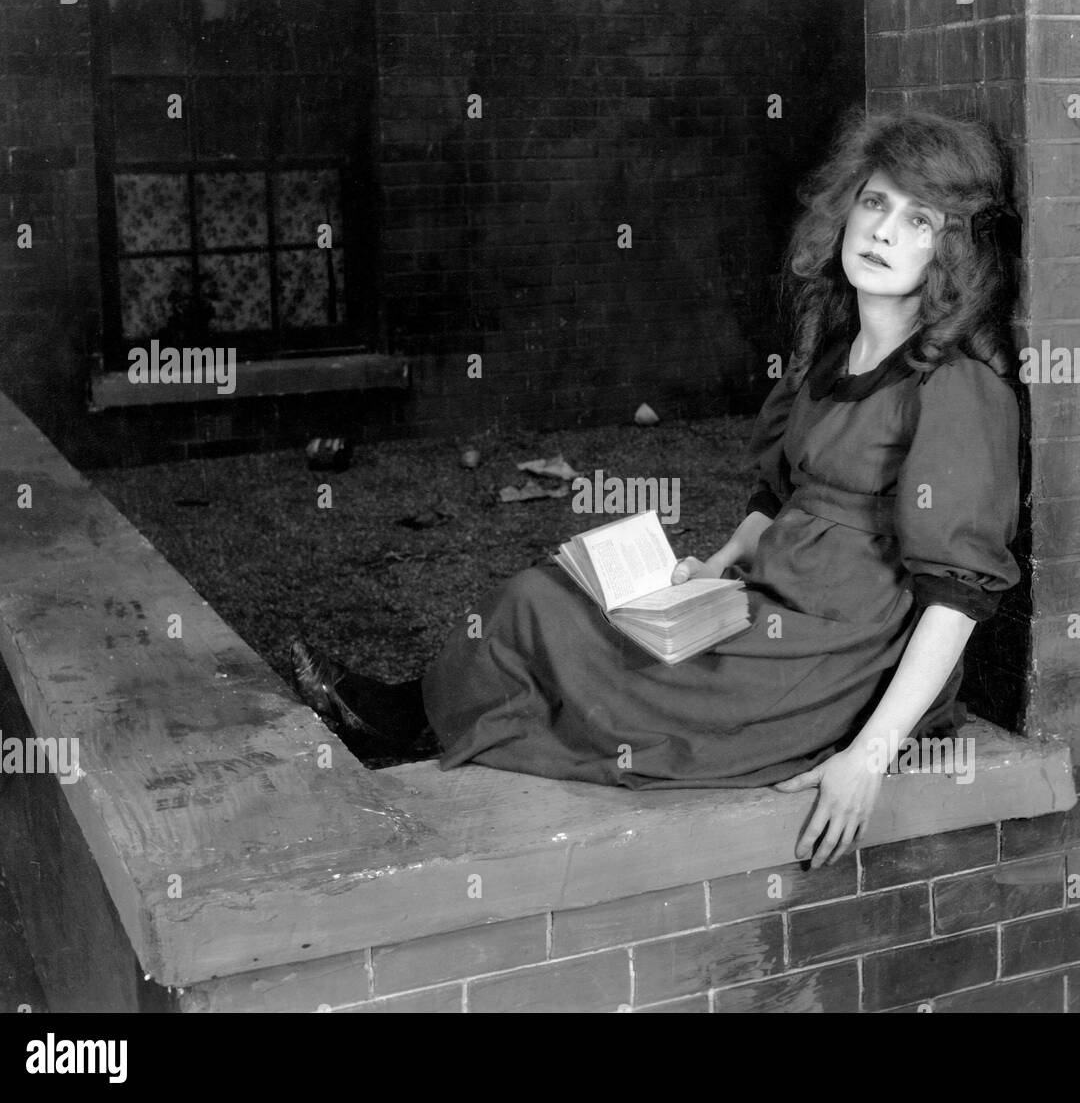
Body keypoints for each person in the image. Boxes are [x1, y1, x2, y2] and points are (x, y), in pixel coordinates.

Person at [290, 109, 1023, 869]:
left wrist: (871, 755)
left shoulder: (958, 388)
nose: (884, 232)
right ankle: (416, 707)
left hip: (834, 652)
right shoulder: (835, 350)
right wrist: (711, 570)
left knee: (593, 655)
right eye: (876, 203)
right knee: (549, 593)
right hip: (768, 601)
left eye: (921, 221)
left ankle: (417, 719)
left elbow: (956, 595)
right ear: (848, 207)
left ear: (954, 253)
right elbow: (778, 496)